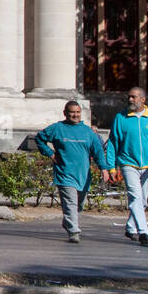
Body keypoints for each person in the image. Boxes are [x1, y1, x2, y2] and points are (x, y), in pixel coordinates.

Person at [102, 87, 148, 247]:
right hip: (128, 163)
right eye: (128, 97)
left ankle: (130, 228)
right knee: (135, 197)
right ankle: (143, 232)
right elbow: (113, 143)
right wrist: (112, 167)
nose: (130, 100)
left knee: (142, 200)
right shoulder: (121, 118)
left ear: (143, 99)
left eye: (134, 97)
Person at [35, 101, 109, 244]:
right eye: (72, 112)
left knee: (78, 204)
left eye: (77, 112)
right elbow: (39, 138)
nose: (75, 115)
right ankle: (74, 231)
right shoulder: (57, 128)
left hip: (83, 175)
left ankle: (68, 221)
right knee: (70, 203)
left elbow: (98, 151)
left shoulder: (88, 132)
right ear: (65, 113)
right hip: (64, 173)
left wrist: (103, 168)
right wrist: (50, 153)